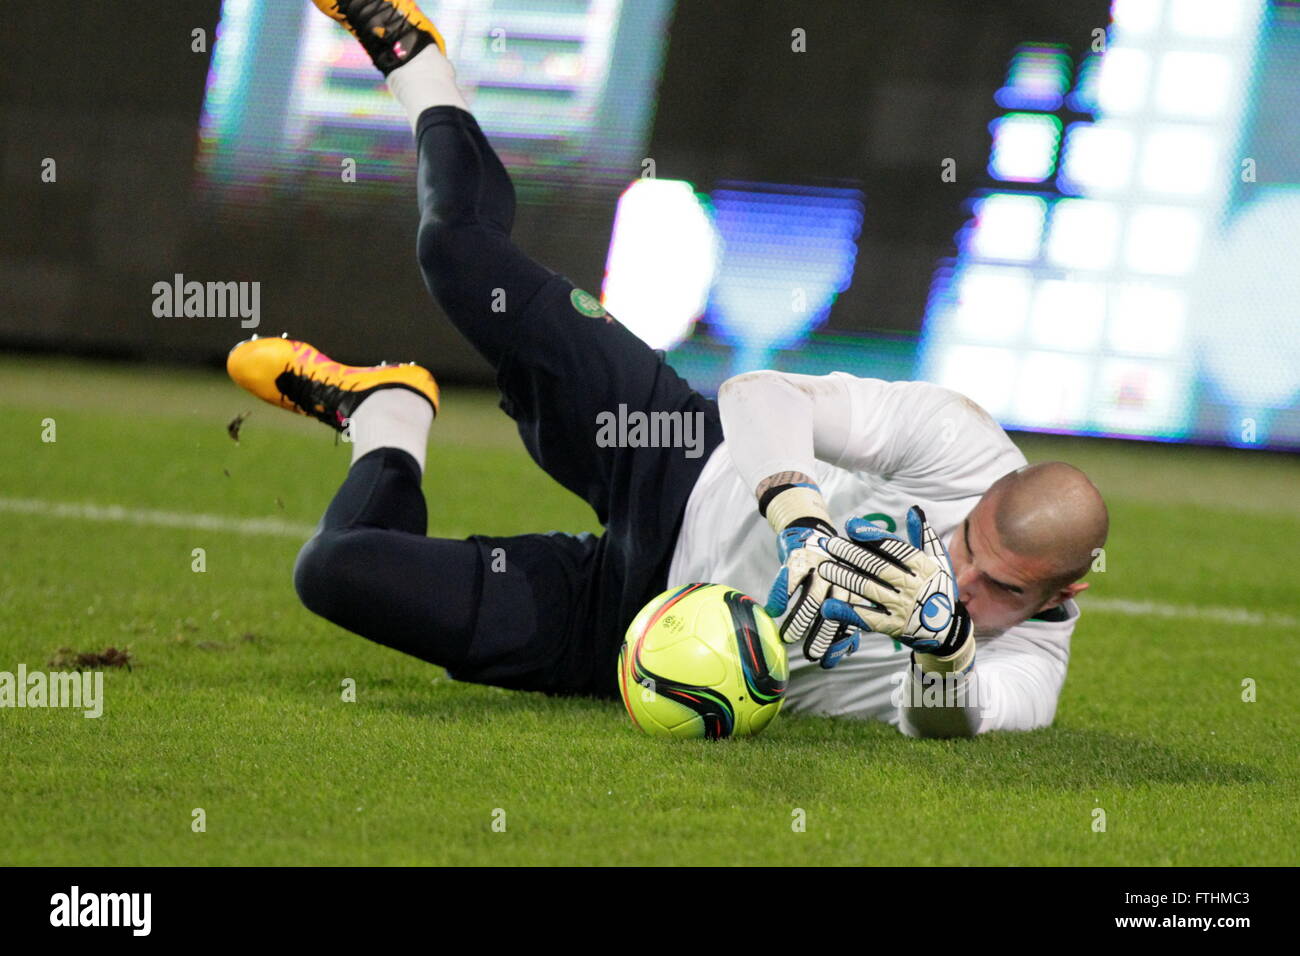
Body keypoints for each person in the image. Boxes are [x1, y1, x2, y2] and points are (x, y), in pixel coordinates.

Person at [228, 0, 1108, 738]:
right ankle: (418, 66)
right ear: (982, 505)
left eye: (1001, 589)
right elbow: (759, 394)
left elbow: (948, 726)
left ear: (1061, 594)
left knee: (336, 572)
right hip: (676, 460)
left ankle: (386, 414)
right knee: (457, 255)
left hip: (628, 625)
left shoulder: (1031, 663)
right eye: (967, 550)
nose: (962, 580)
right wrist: (802, 524)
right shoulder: (961, 447)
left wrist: (948, 642)